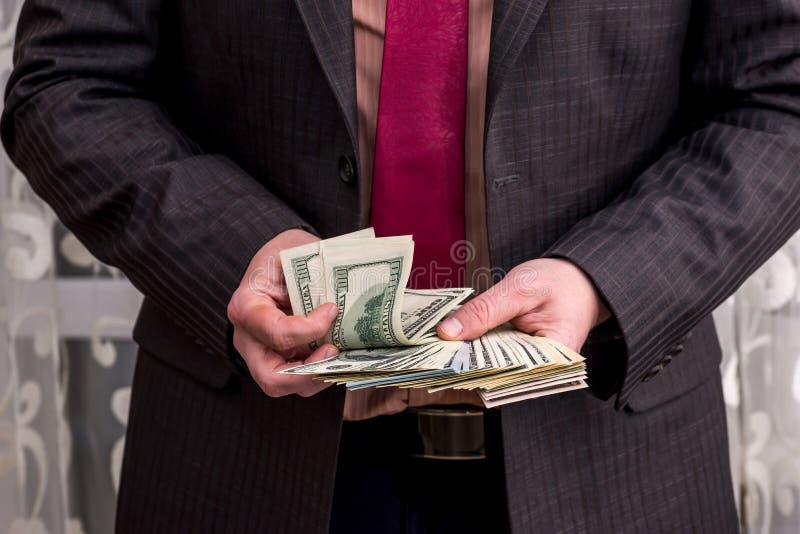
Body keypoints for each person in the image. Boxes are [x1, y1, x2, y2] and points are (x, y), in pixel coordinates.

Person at [3, 0, 799, 532]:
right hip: (246, 453)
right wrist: (237, 250)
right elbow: (68, 82)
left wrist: (603, 279)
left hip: (606, 452)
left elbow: (781, 94)